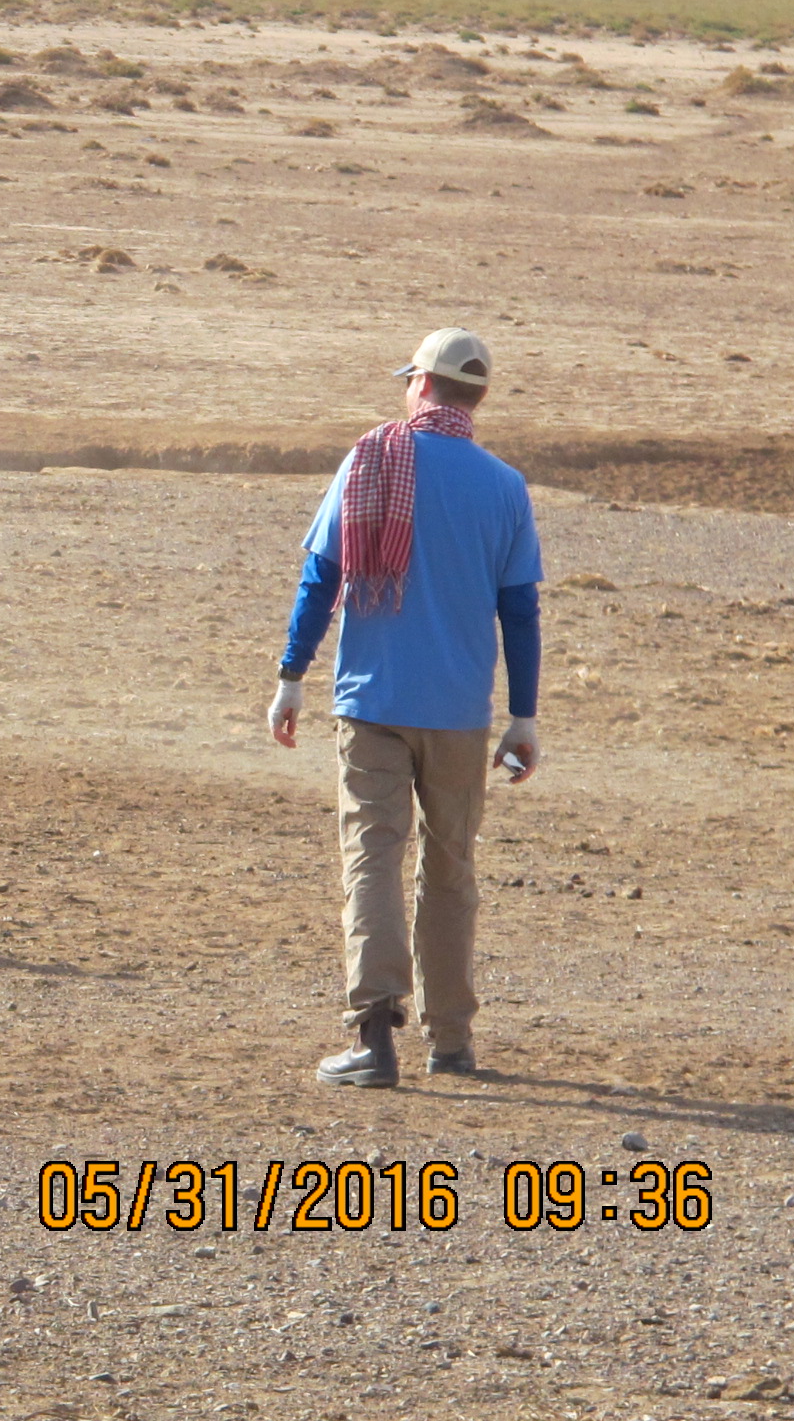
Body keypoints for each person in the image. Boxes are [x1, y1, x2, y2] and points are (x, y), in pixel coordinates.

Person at [271, 327, 543, 1089]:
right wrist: (523, 717)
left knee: (373, 856)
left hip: (373, 702)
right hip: (461, 712)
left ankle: (374, 1038)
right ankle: (451, 1042)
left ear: (423, 386)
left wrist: (292, 676)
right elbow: (519, 610)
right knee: (451, 867)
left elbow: (321, 579)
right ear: (477, 396)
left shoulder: (370, 460)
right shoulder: (504, 486)